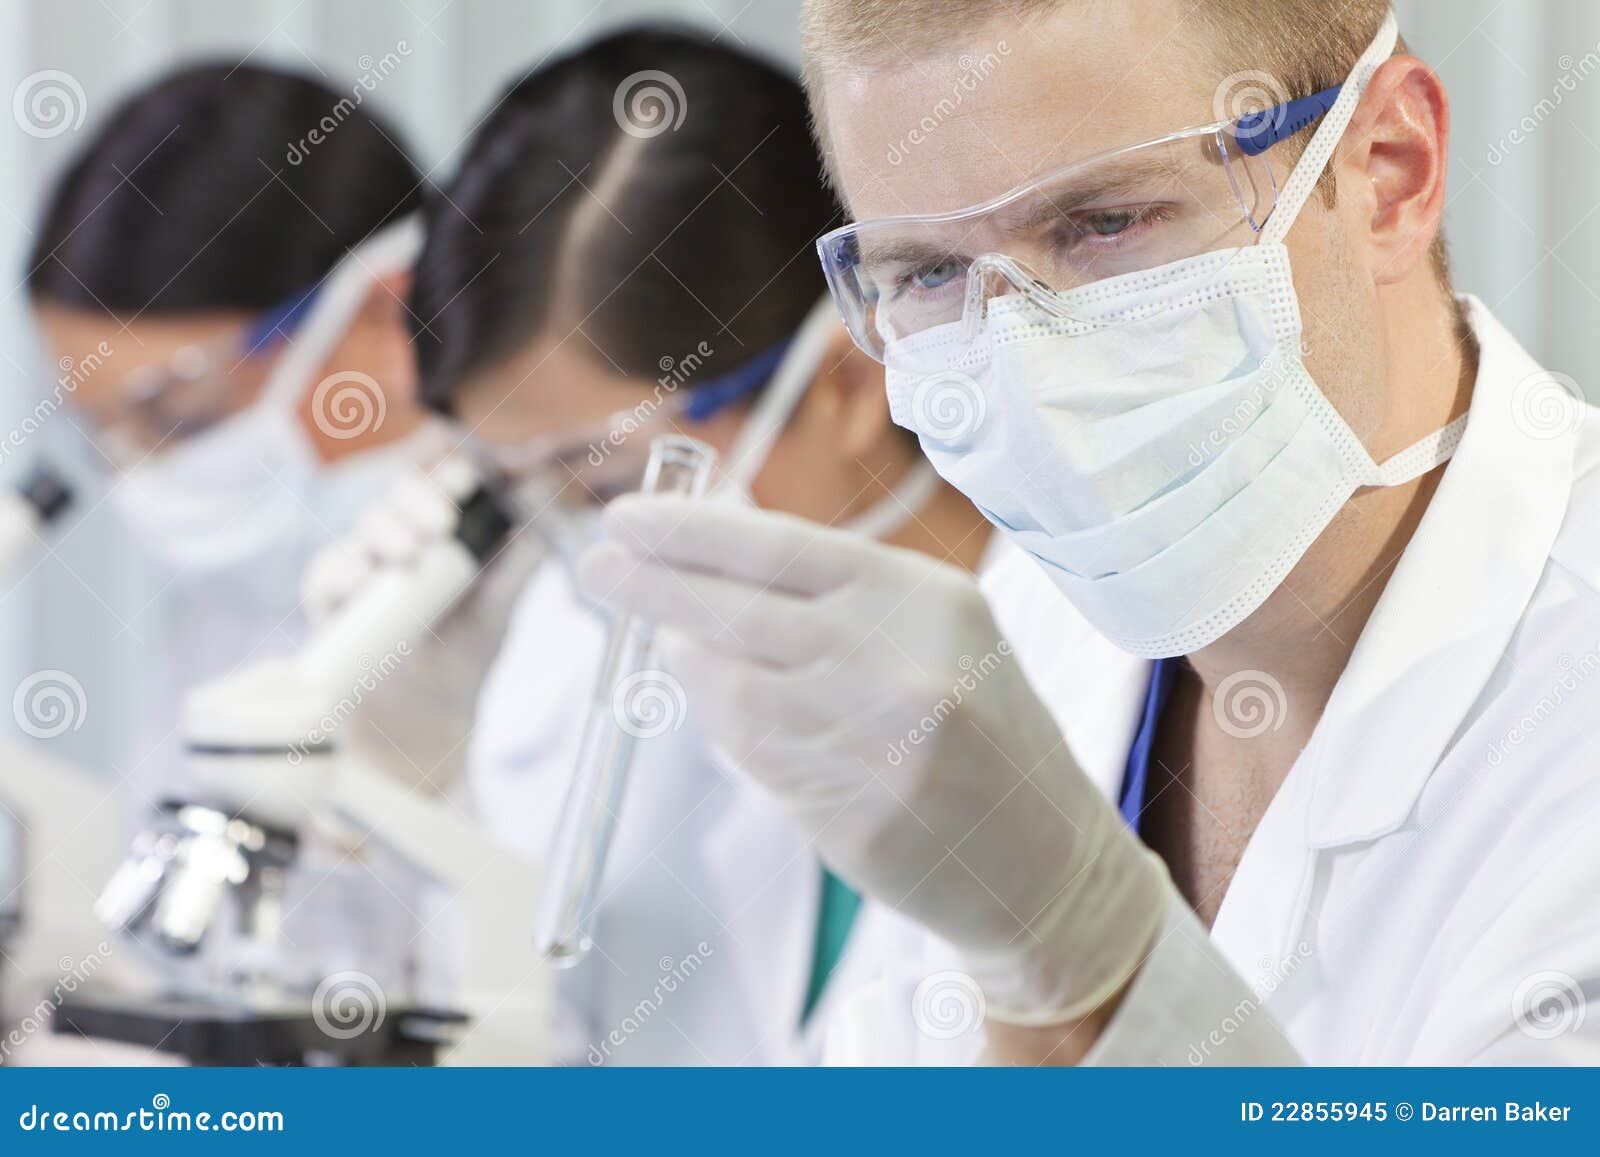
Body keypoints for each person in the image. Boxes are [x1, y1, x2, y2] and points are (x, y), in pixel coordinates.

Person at [579, 0, 1600, 1065]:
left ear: (1387, 169)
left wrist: (1080, 947)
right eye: (928, 270)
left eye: (1105, 222)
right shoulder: (1025, 623)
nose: (1024, 363)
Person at [317, 25, 1064, 1065]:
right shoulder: (570, 663)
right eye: (512, 483)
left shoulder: (1086, 663)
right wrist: (411, 776)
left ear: (845, 381)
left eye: (603, 475)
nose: (576, 538)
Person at [26, 62, 441, 804]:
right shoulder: (237, 612)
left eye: (175, 411)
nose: (143, 476)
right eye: (103, 432)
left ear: (384, 312)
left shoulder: (566, 607)